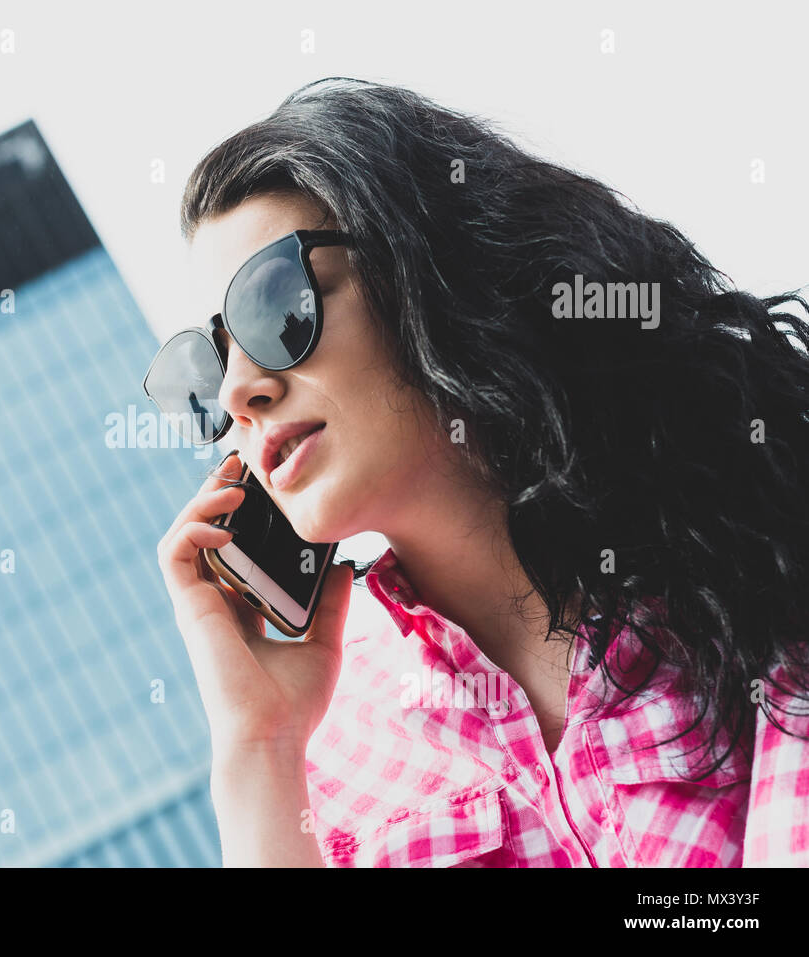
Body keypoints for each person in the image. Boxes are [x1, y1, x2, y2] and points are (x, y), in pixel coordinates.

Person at [151, 78, 809, 866]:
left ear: (423, 268)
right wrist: (260, 748)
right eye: (210, 363)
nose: (236, 392)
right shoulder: (326, 764)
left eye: (276, 306)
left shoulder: (756, 540)